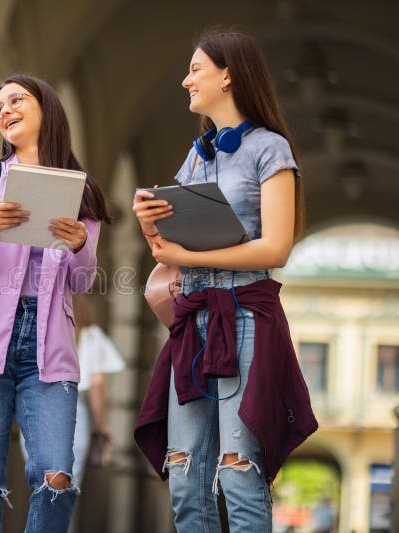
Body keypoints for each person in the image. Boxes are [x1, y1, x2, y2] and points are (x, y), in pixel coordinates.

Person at [132, 30, 318, 533]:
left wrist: (184, 251)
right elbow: (168, 246)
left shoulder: (269, 149)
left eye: (196, 68)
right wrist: (148, 220)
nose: (185, 79)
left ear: (227, 74)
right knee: (183, 474)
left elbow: (275, 248)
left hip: (245, 318)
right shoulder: (197, 157)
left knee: (238, 472)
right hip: (194, 319)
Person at [0, 75, 112, 533]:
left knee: (56, 476)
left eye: (16, 99)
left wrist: (81, 245)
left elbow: (82, 280)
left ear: (47, 109)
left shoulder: (84, 192)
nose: (5, 110)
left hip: (50, 351)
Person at [20, 293, 125, 489]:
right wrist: (100, 426)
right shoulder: (91, 336)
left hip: (36, 412)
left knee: (40, 486)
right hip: (73, 413)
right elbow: (98, 382)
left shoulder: (39, 332)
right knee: (66, 486)